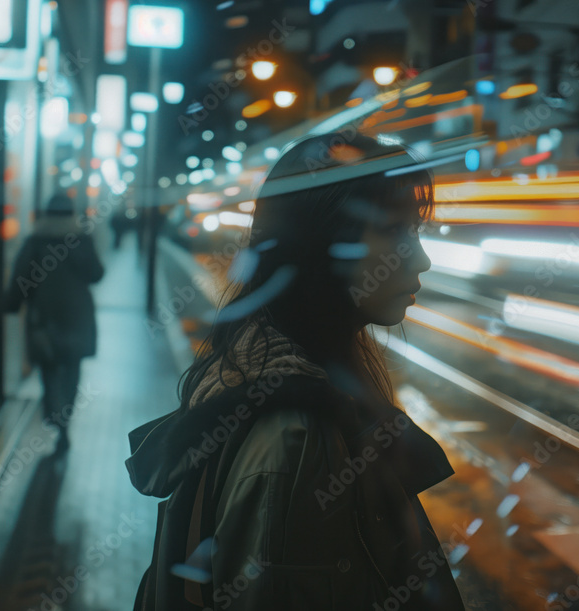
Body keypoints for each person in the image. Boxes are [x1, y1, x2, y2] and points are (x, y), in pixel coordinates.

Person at [126, 133, 465, 610]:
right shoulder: (297, 437)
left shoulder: (260, 380)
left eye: (416, 233)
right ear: (320, 246)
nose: (421, 259)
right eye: (394, 232)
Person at [5, 192, 104, 453]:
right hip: (76, 317)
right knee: (72, 370)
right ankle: (65, 423)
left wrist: (12, 304)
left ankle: (55, 418)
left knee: (49, 371)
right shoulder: (81, 240)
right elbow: (96, 274)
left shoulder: (35, 241)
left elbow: (21, 279)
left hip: (44, 318)